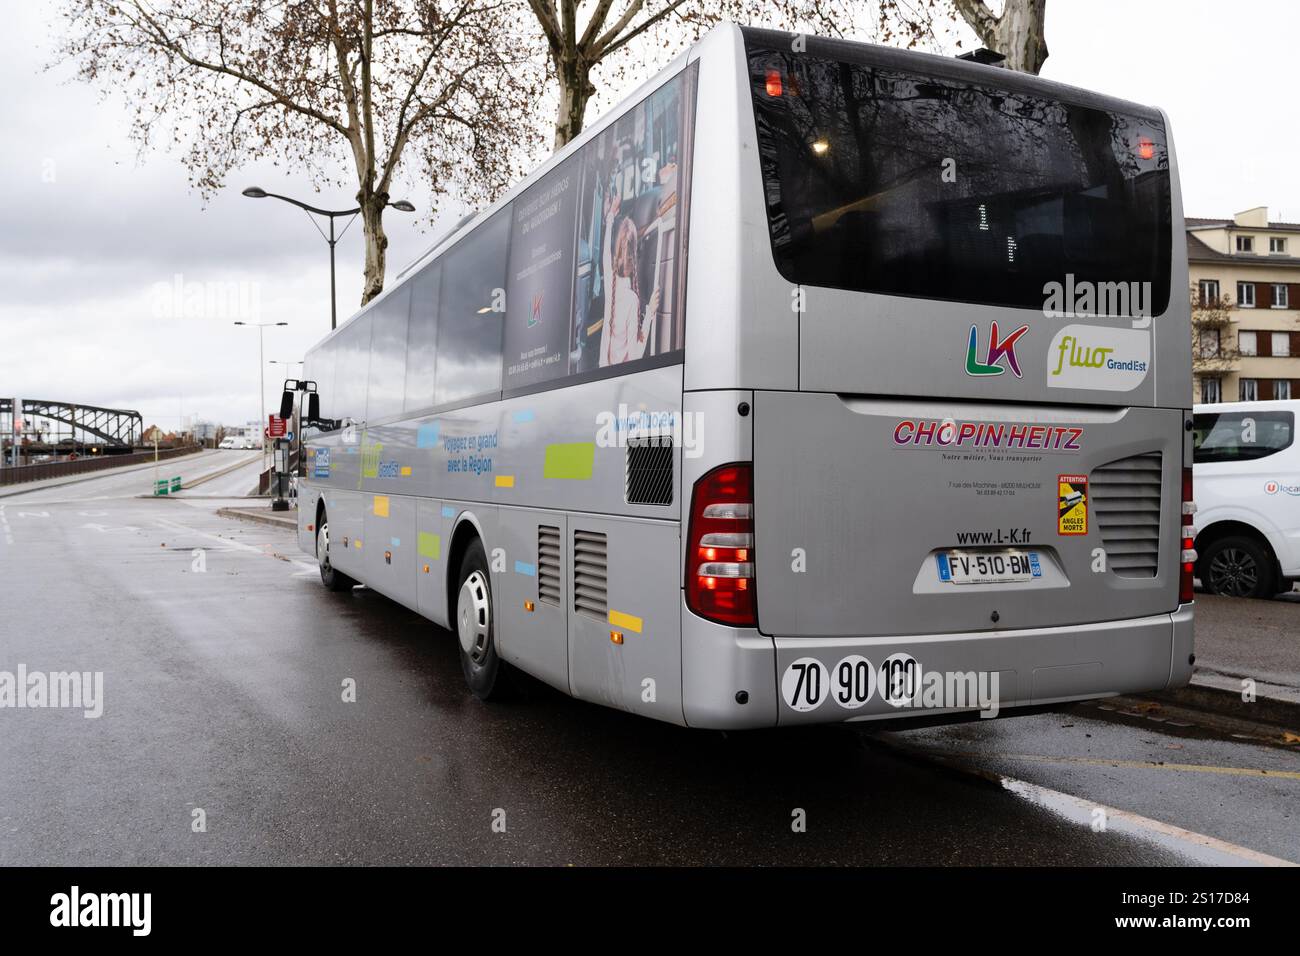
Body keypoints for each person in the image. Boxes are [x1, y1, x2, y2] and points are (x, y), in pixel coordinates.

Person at [598, 191, 659, 367]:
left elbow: (605, 253)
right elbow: (634, 356)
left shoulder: (610, 285)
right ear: (635, 256)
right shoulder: (632, 300)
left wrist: (610, 216)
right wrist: (649, 315)